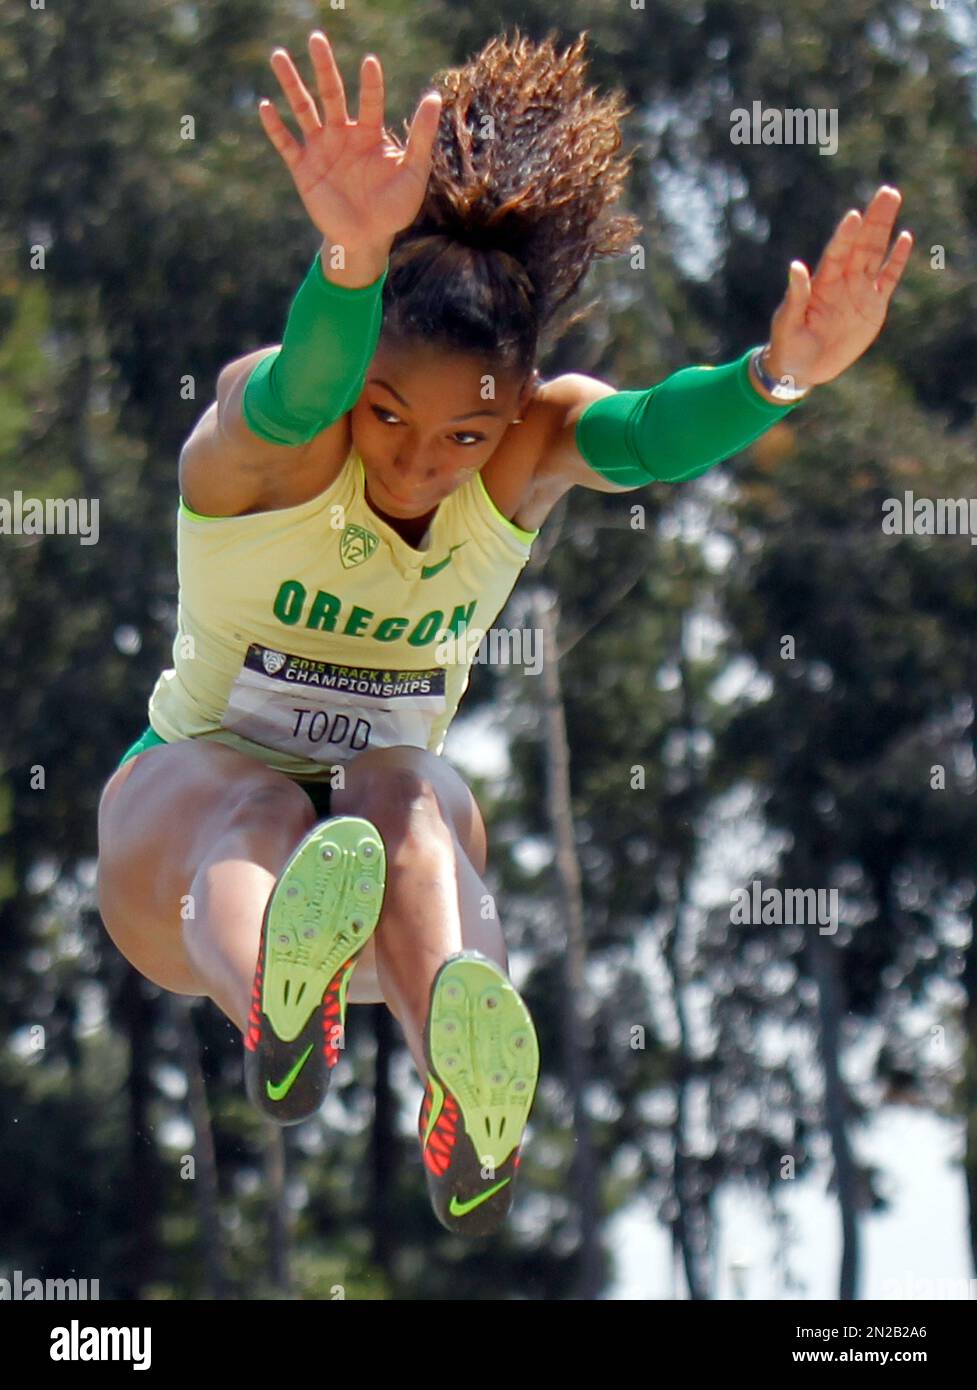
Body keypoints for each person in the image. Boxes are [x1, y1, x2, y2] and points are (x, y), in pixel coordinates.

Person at [95, 26, 912, 1238]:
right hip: (183, 853)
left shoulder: (528, 440)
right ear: (354, 380)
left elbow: (636, 434)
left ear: (507, 415)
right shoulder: (269, 437)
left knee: (406, 788)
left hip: (380, 874)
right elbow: (306, 384)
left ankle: (468, 1098)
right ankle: (278, 994)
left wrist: (776, 377)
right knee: (260, 806)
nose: (423, 462)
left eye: (462, 440)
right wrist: (350, 256)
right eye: (389, 416)